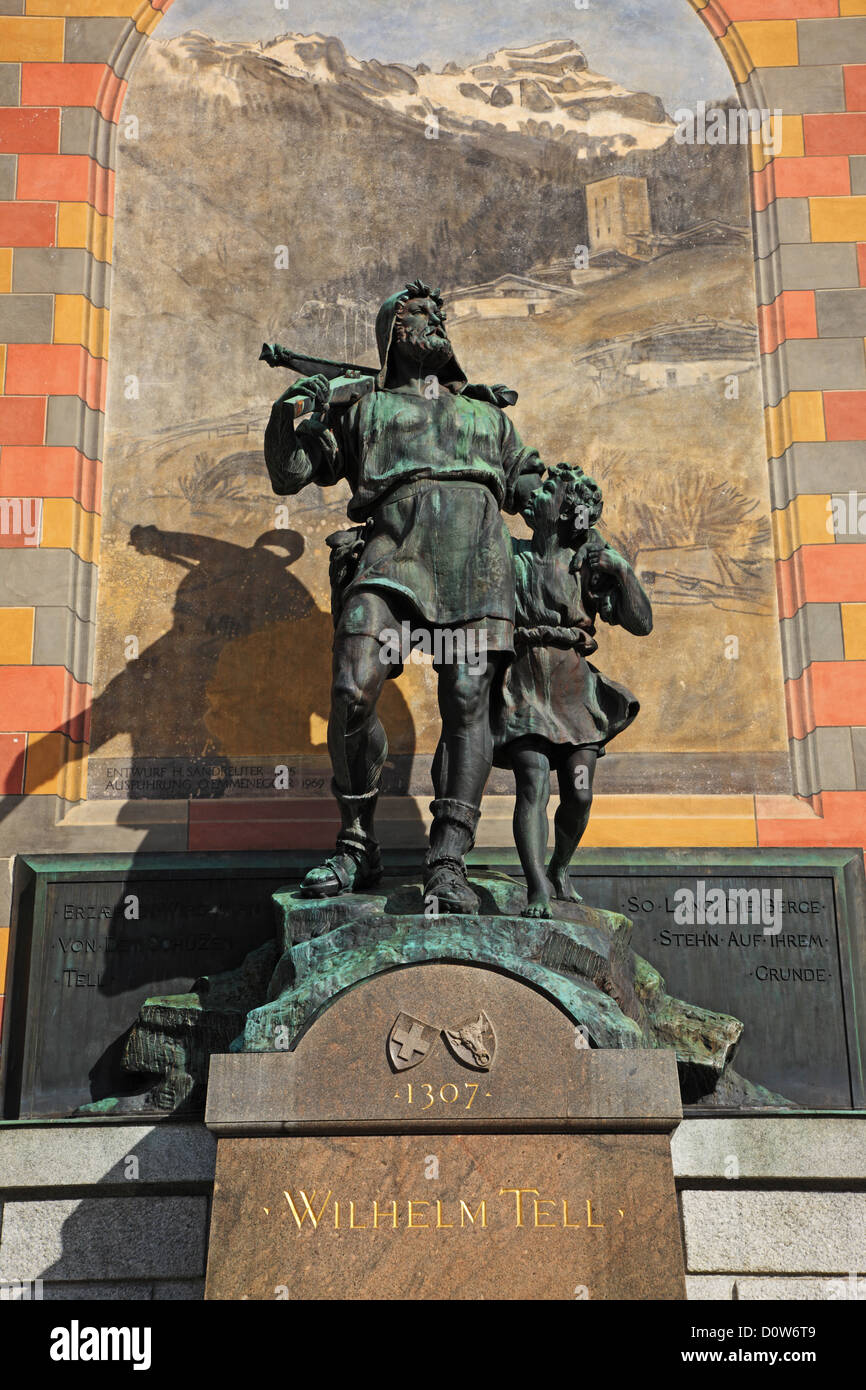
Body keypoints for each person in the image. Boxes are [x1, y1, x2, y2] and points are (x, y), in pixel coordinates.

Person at [264, 278, 549, 912]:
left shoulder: (488, 417)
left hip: (478, 561)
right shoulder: (365, 410)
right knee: (351, 687)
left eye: (437, 311)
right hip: (391, 555)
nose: (432, 318)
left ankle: (448, 861)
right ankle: (358, 843)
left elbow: (534, 493)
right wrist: (289, 417)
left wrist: (579, 547)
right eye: (417, 311)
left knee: (469, 698)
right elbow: (291, 474)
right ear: (391, 331)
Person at [493, 464, 653, 918]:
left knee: (579, 792)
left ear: (565, 513)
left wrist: (621, 570)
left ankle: (560, 866)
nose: (535, 496)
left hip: (574, 696)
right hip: (523, 691)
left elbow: (642, 624)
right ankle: (537, 887)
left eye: (548, 493)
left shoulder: (586, 564)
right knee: (533, 786)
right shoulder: (509, 555)